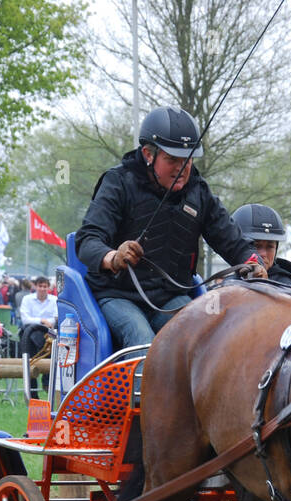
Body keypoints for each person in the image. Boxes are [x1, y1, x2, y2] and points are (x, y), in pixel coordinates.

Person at [74, 105, 265, 349]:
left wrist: (253, 262)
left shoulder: (199, 191)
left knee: (202, 339)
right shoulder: (118, 182)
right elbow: (87, 240)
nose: (182, 168)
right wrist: (113, 257)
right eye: (172, 159)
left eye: (188, 160)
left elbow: (231, 240)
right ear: (147, 154)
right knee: (142, 339)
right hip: (118, 295)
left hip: (171, 297)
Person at [233, 204, 291, 288]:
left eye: (269, 247)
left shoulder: (286, 287)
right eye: (257, 246)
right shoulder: (227, 283)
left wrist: (265, 286)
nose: (263, 254)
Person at [17, 275, 58, 395]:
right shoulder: (27, 299)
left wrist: (44, 322)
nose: (42, 289)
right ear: (35, 286)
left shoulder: (54, 299)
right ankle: (39, 384)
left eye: (45, 286)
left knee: (45, 337)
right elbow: (25, 319)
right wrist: (42, 321)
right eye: (40, 286)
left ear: (48, 287)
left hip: (48, 332)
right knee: (32, 335)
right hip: (30, 332)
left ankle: (47, 378)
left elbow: (55, 319)